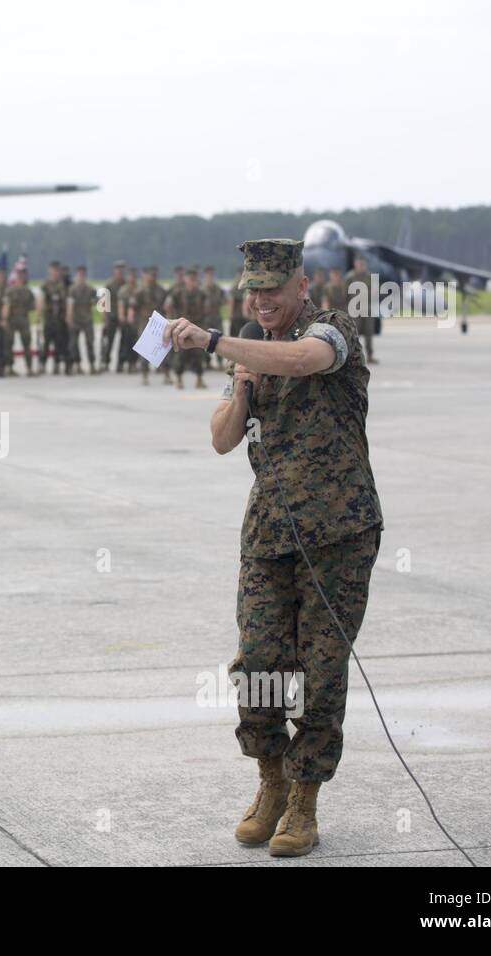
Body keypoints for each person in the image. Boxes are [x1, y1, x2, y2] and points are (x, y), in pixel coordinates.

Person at [164, 237, 383, 858]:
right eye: (252, 290)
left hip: (338, 531)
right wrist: (239, 382)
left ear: (300, 287)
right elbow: (222, 440)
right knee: (259, 660)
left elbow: (301, 362)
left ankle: (305, 803)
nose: (260, 300)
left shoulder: (331, 330)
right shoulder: (248, 347)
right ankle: (270, 782)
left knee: (321, 669)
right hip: (269, 530)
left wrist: (214, 342)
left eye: (272, 289)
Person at [167, 266, 206, 389]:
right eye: (190, 278)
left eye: (194, 278)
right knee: (180, 353)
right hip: (182, 326)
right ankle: (179, 380)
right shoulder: (178, 293)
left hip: (197, 326)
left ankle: (199, 379)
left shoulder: (201, 293)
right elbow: (168, 305)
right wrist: (172, 319)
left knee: (199, 353)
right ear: (185, 279)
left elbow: (206, 309)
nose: (192, 281)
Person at [2, 267, 36, 376]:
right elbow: (6, 306)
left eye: (22, 275)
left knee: (26, 344)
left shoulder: (27, 291)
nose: (20, 277)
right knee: (9, 343)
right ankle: (9, 367)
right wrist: (4, 319)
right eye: (19, 275)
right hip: (12, 320)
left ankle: (29, 367)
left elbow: (33, 307)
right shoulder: (10, 291)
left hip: (23, 319)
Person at [65, 265, 98, 374]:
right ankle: (77, 364)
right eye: (80, 274)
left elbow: (99, 300)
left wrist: (102, 312)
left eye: (83, 275)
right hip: (76, 319)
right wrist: (69, 318)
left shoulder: (90, 289)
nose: (81, 277)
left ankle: (92, 364)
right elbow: (70, 304)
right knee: (74, 344)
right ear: (77, 276)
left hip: (87, 319)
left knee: (90, 342)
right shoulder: (72, 289)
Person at [344, 256, 377, 364]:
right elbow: (345, 293)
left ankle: (370, 355)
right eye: (359, 264)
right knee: (354, 332)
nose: (361, 266)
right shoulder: (350, 277)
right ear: (355, 264)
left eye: (363, 264)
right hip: (354, 309)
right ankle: (354, 357)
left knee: (369, 332)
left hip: (367, 309)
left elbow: (375, 291)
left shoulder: (370, 277)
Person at [99, 260, 126, 372]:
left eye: (121, 269)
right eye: (117, 269)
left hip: (122, 317)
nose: (119, 271)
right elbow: (102, 302)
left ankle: (120, 363)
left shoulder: (126, 283)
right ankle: (105, 362)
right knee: (109, 341)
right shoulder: (109, 284)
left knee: (123, 341)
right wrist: (104, 317)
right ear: (114, 270)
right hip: (111, 317)